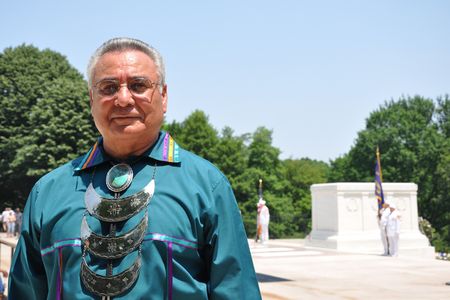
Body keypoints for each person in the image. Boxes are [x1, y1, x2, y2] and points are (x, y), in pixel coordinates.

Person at [9, 37, 261, 299]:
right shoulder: (47, 192)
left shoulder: (207, 185)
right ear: (91, 99)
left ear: (163, 96)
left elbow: (236, 290)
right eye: (108, 88)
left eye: (139, 85)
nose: (123, 99)